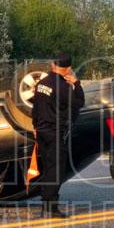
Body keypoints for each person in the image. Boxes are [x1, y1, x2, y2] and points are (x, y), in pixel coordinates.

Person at [31, 53, 85, 218]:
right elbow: (79, 103)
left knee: (48, 167)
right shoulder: (64, 87)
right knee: (56, 170)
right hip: (54, 132)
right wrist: (77, 84)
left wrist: (35, 126)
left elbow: (36, 107)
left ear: (54, 65)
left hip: (41, 131)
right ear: (68, 68)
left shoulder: (41, 83)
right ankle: (50, 208)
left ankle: (46, 206)